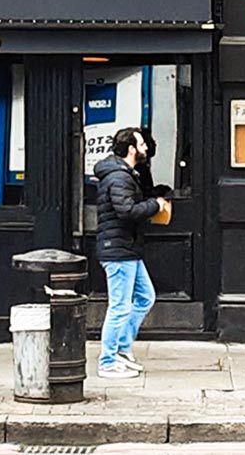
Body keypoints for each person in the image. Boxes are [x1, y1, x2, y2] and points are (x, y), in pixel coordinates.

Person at [93, 128, 169, 379]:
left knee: (145, 297)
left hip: (127, 248)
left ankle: (122, 350)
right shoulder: (119, 177)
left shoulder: (125, 174)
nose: (146, 147)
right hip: (118, 250)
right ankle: (107, 361)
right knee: (119, 307)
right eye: (141, 144)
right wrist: (155, 204)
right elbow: (127, 210)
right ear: (131, 149)